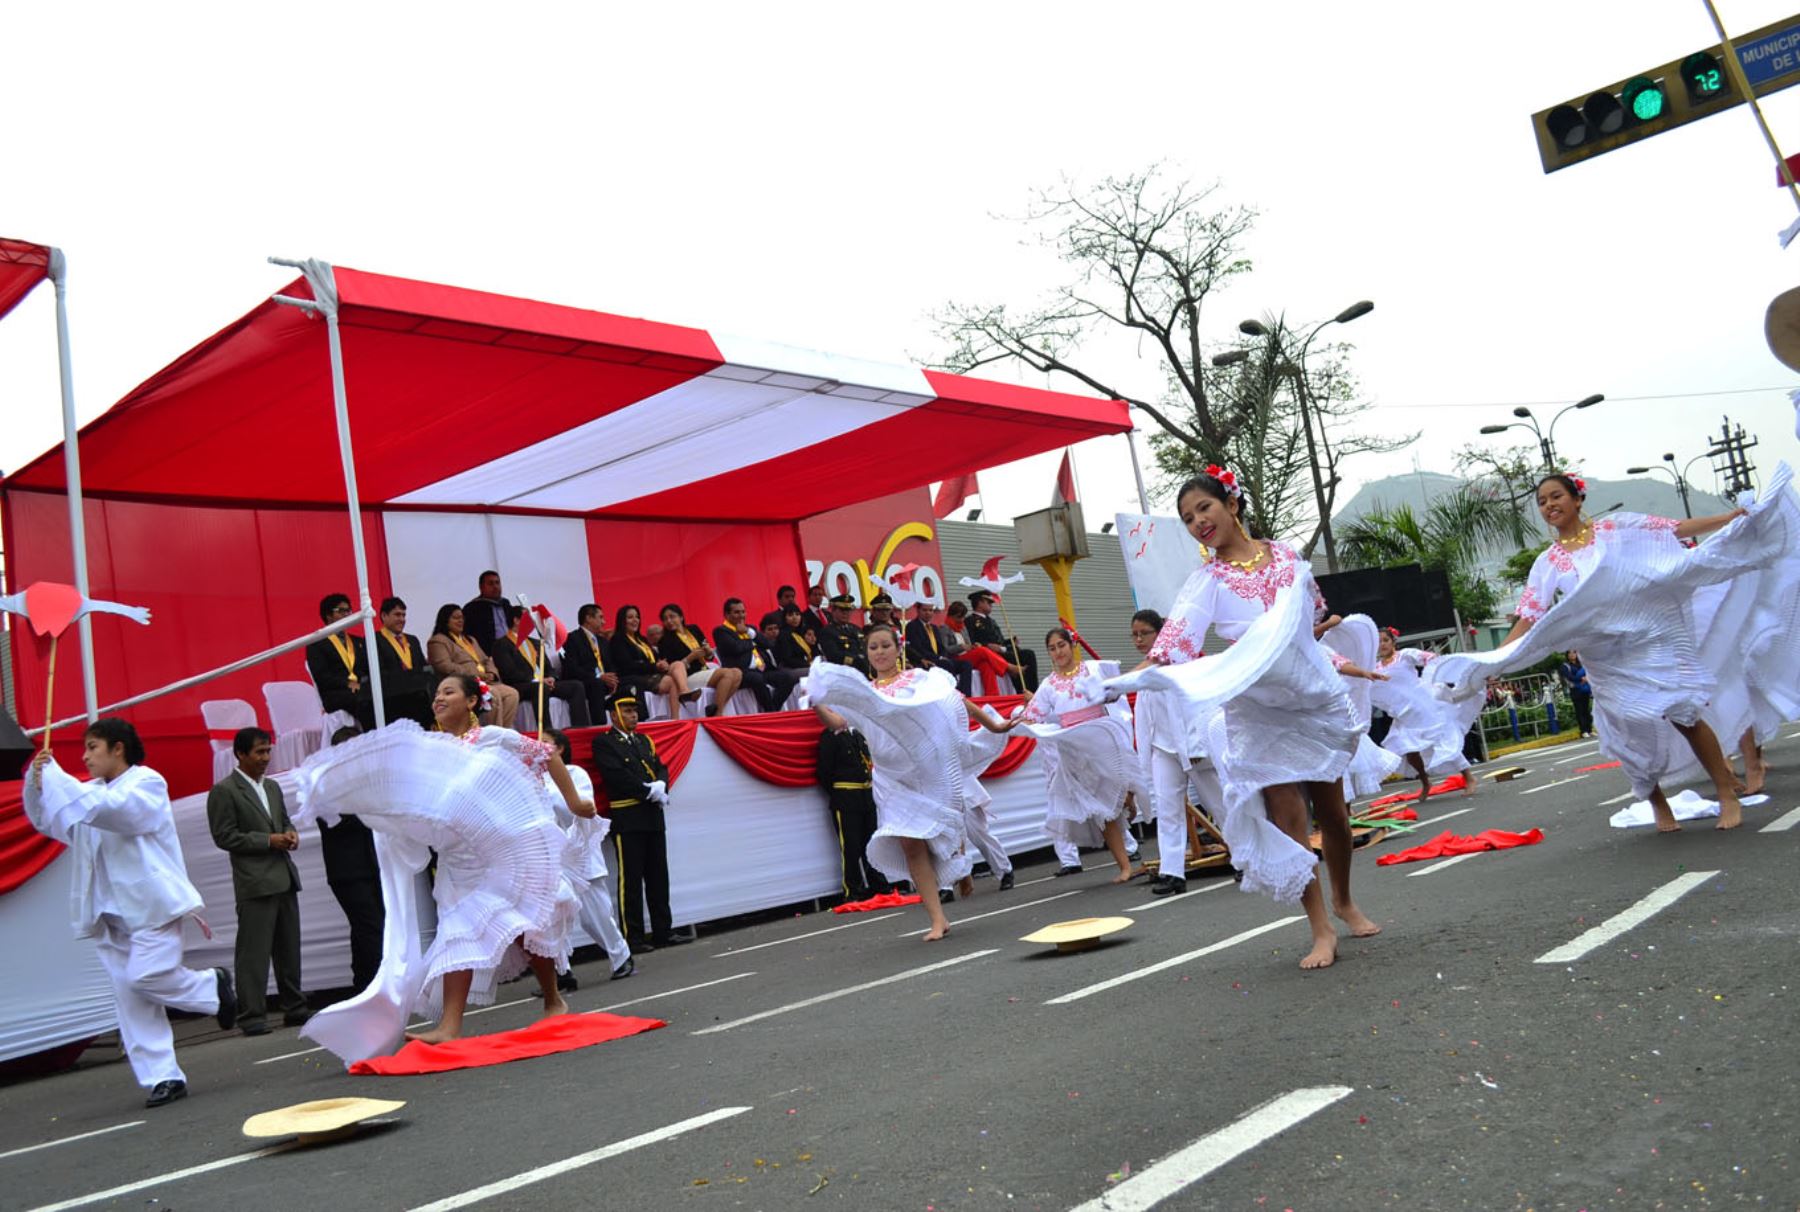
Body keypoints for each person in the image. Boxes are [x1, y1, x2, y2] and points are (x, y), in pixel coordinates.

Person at [1108, 467, 1383, 968]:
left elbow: (1311, 628)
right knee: (1286, 812)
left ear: (1231, 504)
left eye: (1204, 509)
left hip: (1309, 696)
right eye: (1188, 518)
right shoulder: (1206, 581)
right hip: (1256, 706)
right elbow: (1174, 646)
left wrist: (1347, 662)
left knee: (1335, 815)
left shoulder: (1287, 557)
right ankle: (1320, 928)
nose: (1198, 522)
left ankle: (1343, 900)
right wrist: (1125, 679)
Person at [1430, 468, 1800, 832]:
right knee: (1626, 728)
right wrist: (1497, 657)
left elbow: (1672, 530)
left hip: (1647, 635)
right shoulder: (1547, 564)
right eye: (1542, 502)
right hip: (1602, 654)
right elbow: (1529, 615)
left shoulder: (1616, 530)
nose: (1549, 506)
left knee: (1683, 711)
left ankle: (1726, 792)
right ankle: (1658, 803)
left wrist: (1727, 519)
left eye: (1556, 496)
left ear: (1577, 498)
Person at [291, 674, 595, 1052]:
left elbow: (547, 754)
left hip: (499, 852)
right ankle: (450, 1025)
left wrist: (575, 802)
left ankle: (553, 999)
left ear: (472, 701)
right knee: (455, 931)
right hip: (458, 859)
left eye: (449, 692)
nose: (439, 699)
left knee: (523, 927)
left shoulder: (491, 737)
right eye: (436, 694)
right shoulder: (434, 752)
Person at [24, 720, 234, 1107]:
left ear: (117, 748)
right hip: (107, 912)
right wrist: (38, 786)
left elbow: (118, 814)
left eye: (92, 747)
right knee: (130, 997)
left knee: (146, 976)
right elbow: (52, 820)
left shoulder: (146, 783)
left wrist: (58, 781)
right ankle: (163, 1077)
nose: (85, 757)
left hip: (150, 903)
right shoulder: (88, 795)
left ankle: (211, 989)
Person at [810, 624, 1020, 940]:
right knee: (909, 844)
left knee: (942, 827)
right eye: (873, 647)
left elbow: (956, 702)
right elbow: (839, 723)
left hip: (928, 772)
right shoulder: (865, 694)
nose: (879, 652)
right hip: (891, 780)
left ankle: (958, 861)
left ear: (899, 648)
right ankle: (938, 919)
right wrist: (817, 702)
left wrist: (995, 724)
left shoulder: (920, 680)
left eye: (885, 646)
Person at [1013, 628, 1143, 883]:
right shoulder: (1049, 685)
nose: (1058, 652)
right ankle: (1124, 866)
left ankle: (1130, 801)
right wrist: (1008, 722)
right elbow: (1033, 714)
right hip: (1075, 752)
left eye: (1061, 645)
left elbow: (1117, 700)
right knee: (1102, 812)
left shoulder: (1094, 670)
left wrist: (1122, 733)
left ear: (1072, 644)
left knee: (1123, 794)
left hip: (1102, 739)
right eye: (1052, 648)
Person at [205, 727, 309, 1036]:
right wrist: (268, 840)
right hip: (254, 882)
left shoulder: (273, 787)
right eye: (259, 752)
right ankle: (251, 1014)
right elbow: (224, 836)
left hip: (284, 876)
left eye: (268, 751)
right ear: (240, 754)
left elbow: (284, 819)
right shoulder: (224, 791)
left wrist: (289, 833)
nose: (265, 757)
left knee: (289, 948)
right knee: (254, 953)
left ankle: (295, 1006)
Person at [1124, 608, 1224, 895]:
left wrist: (1195, 744)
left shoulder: (1184, 660)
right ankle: (1172, 872)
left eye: (1144, 633)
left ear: (1160, 632)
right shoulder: (1147, 669)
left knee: (1218, 803)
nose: (1139, 639)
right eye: (1134, 635)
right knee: (1167, 809)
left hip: (1193, 745)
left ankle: (1246, 860)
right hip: (1163, 747)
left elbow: (1200, 705)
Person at [592, 692, 689, 951]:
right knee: (631, 880)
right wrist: (648, 791)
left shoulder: (644, 741)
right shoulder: (604, 743)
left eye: (634, 711)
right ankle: (633, 937)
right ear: (613, 715)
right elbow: (616, 775)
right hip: (628, 815)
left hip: (652, 814)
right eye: (626, 711)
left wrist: (661, 784)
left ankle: (662, 931)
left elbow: (661, 767)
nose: (633, 715)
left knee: (659, 876)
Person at [544, 728, 633, 980]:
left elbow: (577, 811)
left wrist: (548, 792)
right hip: (550, 859)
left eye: (545, 744)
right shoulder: (531, 778)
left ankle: (620, 956)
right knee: (552, 917)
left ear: (559, 748)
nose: (538, 749)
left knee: (594, 918)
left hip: (579, 856)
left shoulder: (575, 774)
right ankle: (562, 972)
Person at [1368, 629, 1478, 800]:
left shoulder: (1405, 655)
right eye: (1378, 642)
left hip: (1423, 707)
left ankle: (1469, 777)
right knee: (1406, 747)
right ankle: (1425, 781)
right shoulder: (1374, 668)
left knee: (1442, 740)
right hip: (1403, 713)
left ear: (1393, 642)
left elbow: (1430, 658)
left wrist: (1433, 675)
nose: (1382, 645)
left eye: (1385, 640)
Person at [316, 725, 385, 995]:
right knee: (371, 927)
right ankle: (377, 984)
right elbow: (334, 823)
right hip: (347, 869)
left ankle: (364, 982)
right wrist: (368, 808)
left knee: (366, 927)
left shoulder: (363, 781)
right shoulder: (326, 784)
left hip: (370, 865)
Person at [816, 716, 889, 901]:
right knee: (850, 846)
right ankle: (852, 889)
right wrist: (840, 792)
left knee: (872, 843)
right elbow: (824, 771)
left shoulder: (859, 735)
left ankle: (878, 884)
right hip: (846, 797)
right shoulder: (830, 736)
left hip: (866, 796)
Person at [493, 605, 592, 729]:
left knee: (576, 686)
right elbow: (509, 672)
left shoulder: (535, 642)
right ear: (516, 620)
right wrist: (538, 680)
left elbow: (549, 667)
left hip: (544, 682)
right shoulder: (502, 644)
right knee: (541, 687)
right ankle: (547, 730)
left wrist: (551, 677)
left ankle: (580, 728)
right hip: (522, 685)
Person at [427, 604, 521, 729]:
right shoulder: (438, 640)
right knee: (492, 694)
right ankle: (491, 736)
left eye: (462, 618)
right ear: (445, 620)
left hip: (484, 681)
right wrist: (475, 674)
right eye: (456, 618)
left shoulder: (470, 639)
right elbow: (445, 666)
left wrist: (492, 673)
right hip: (462, 684)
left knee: (511, 694)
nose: (460, 621)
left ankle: (502, 732)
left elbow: (487, 659)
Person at [609, 604, 698, 721]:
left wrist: (662, 664)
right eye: (630, 617)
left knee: (677, 664)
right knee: (671, 681)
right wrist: (655, 667)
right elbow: (627, 665)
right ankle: (676, 719)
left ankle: (684, 692)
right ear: (622, 621)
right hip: (632, 677)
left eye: (637, 617)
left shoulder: (642, 639)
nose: (635, 620)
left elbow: (655, 659)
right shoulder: (618, 640)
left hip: (651, 673)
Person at [657, 603, 743, 717]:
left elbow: (710, 657)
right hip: (688, 676)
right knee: (726, 674)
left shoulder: (693, 629)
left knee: (738, 673)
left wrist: (708, 652)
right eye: (665, 619)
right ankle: (718, 713)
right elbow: (672, 667)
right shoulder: (664, 641)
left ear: (681, 617)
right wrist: (690, 658)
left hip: (704, 669)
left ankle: (715, 709)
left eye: (672, 617)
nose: (669, 621)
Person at [715, 596, 798, 712]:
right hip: (740, 672)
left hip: (762, 669)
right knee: (756, 678)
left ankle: (772, 709)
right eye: (737, 612)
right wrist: (751, 642)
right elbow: (736, 648)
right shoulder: (721, 631)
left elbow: (767, 643)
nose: (741, 615)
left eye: (743, 612)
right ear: (727, 615)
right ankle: (771, 711)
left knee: (788, 678)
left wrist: (748, 632)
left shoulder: (750, 629)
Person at [304, 593, 371, 728]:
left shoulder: (358, 641)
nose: (347, 614)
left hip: (361, 689)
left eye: (348, 611)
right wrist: (348, 684)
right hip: (336, 694)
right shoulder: (316, 643)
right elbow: (322, 677)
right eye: (341, 611)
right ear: (328, 616)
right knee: (366, 702)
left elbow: (366, 668)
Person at [372, 597, 435, 727]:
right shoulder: (374, 639)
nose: (402, 619)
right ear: (384, 616)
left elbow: (422, 667)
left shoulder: (412, 640)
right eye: (397, 615)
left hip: (419, 699)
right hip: (393, 701)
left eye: (403, 615)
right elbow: (378, 671)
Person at [966, 590, 1036, 691]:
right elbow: (972, 641)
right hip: (991, 654)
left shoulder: (991, 620)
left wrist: (1010, 641)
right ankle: (1020, 691)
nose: (991, 605)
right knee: (1012, 656)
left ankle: (1033, 690)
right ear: (980, 603)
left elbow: (1000, 641)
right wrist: (987, 645)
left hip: (1002, 650)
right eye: (988, 602)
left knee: (1029, 654)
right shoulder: (971, 621)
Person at [562, 603, 620, 723]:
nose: (604, 622)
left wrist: (612, 678)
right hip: (586, 681)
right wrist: (599, 676)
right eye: (600, 617)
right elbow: (571, 668)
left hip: (605, 681)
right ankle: (600, 727)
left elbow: (611, 663)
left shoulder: (602, 641)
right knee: (597, 685)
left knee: (629, 685)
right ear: (588, 618)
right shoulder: (572, 639)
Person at [905, 601, 973, 693]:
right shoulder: (912, 626)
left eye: (930, 610)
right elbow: (918, 648)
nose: (928, 613)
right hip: (925, 660)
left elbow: (941, 647)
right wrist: (939, 658)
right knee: (946, 664)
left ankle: (966, 694)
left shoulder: (934, 627)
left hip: (939, 659)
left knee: (966, 664)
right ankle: (955, 692)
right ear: (918, 610)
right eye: (924, 610)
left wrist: (943, 656)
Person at [461, 569, 511, 654]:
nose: (495, 587)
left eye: (497, 583)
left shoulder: (505, 604)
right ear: (481, 587)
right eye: (490, 584)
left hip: (512, 648)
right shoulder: (472, 608)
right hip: (489, 653)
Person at [817, 593, 869, 674]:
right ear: (833, 611)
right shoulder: (828, 631)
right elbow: (833, 656)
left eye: (848, 610)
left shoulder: (856, 629)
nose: (845, 613)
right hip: (843, 670)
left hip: (865, 668)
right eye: (842, 610)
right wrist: (856, 660)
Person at [1559, 649, 1594, 738]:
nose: (1572, 654)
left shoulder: (1581, 664)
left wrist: (1586, 679)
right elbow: (1568, 677)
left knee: (1586, 710)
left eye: (1574, 652)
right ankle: (1583, 730)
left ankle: (1589, 729)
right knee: (1579, 710)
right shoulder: (1565, 666)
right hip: (1575, 690)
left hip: (1585, 689)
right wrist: (1580, 679)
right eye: (1570, 653)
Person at [775, 605, 819, 670]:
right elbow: (788, 659)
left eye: (797, 614)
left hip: (809, 665)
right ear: (785, 618)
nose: (795, 617)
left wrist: (812, 644)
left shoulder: (802, 632)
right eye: (790, 615)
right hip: (792, 668)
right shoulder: (783, 635)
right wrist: (808, 664)